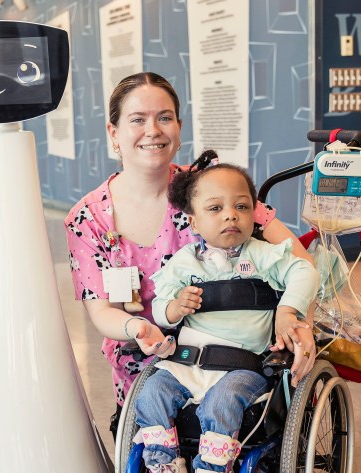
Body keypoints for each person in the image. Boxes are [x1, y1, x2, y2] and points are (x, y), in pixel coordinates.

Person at [65, 72, 316, 437]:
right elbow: (101, 311)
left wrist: (297, 322)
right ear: (113, 132)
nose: (153, 130)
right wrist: (138, 327)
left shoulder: (211, 192)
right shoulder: (88, 219)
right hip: (147, 371)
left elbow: (300, 261)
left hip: (234, 358)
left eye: (164, 117)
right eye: (137, 119)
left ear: (179, 128)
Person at [134, 151, 320, 473]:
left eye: (241, 206)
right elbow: (158, 310)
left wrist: (288, 311)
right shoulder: (184, 262)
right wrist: (174, 309)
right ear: (194, 220)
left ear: (254, 213)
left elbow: (305, 271)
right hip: (186, 363)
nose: (230, 215)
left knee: (223, 401)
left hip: (240, 367)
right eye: (215, 208)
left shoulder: (264, 255)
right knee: (150, 392)